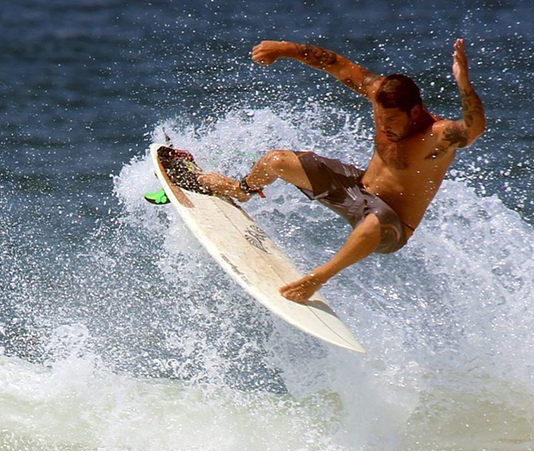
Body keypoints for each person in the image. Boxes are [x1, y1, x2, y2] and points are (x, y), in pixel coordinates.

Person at [197, 38, 485, 303]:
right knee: (276, 160)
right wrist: (284, 49)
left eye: (393, 121)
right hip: (356, 188)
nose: (385, 127)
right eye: (381, 118)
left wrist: (463, 84)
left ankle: (317, 278)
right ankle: (241, 190)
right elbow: (335, 63)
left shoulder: (436, 136)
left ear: (414, 112)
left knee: (374, 220)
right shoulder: (380, 94)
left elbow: (473, 129)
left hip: (391, 226)